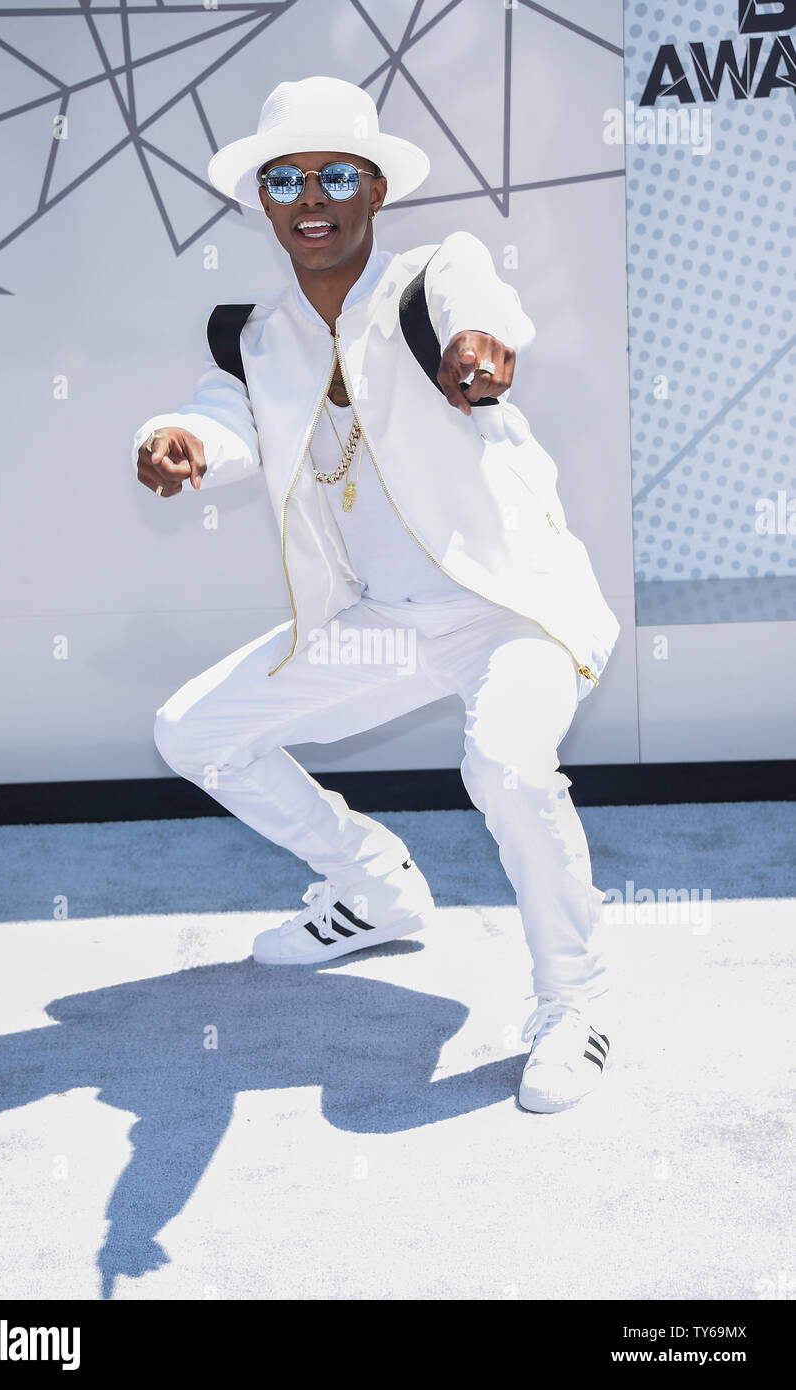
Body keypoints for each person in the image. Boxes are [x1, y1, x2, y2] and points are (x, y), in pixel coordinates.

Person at [132, 76, 620, 1114]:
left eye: (338, 173)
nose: (313, 195)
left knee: (505, 765)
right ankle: (371, 886)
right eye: (287, 177)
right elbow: (219, 419)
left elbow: (481, 317)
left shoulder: (431, 275)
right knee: (193, 731)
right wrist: (175, 446)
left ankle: (574, 1006)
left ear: (378, 186)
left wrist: (483, 353)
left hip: (508, 612)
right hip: (383, 626)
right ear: (262, 198)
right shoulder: (256, 337)